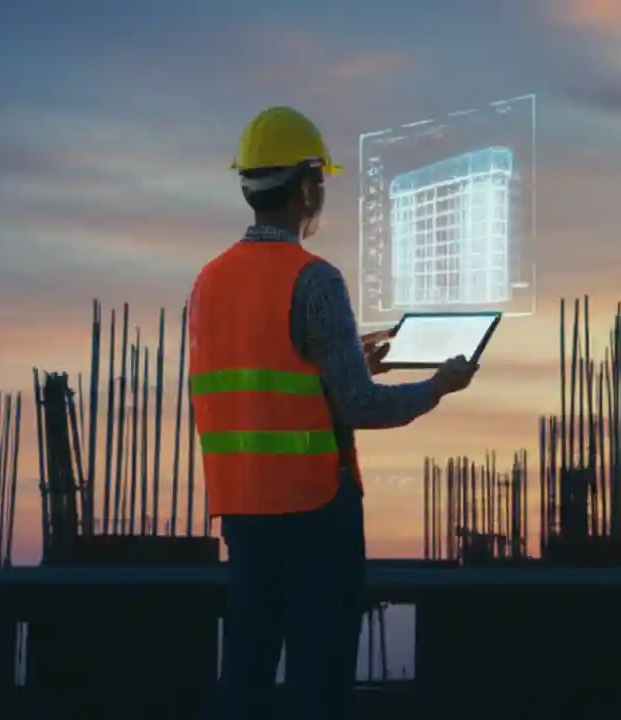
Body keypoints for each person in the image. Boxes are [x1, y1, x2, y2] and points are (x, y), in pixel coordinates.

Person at [187, 106, 478, 719]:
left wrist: (347, 362)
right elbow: (361, 406)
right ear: (306, 187)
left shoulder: (208, 281)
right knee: (319, 684)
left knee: (245, 673)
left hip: (241, 506)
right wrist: (438, 387)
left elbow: (260, 380)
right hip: (314, 506)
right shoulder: (314, 279)